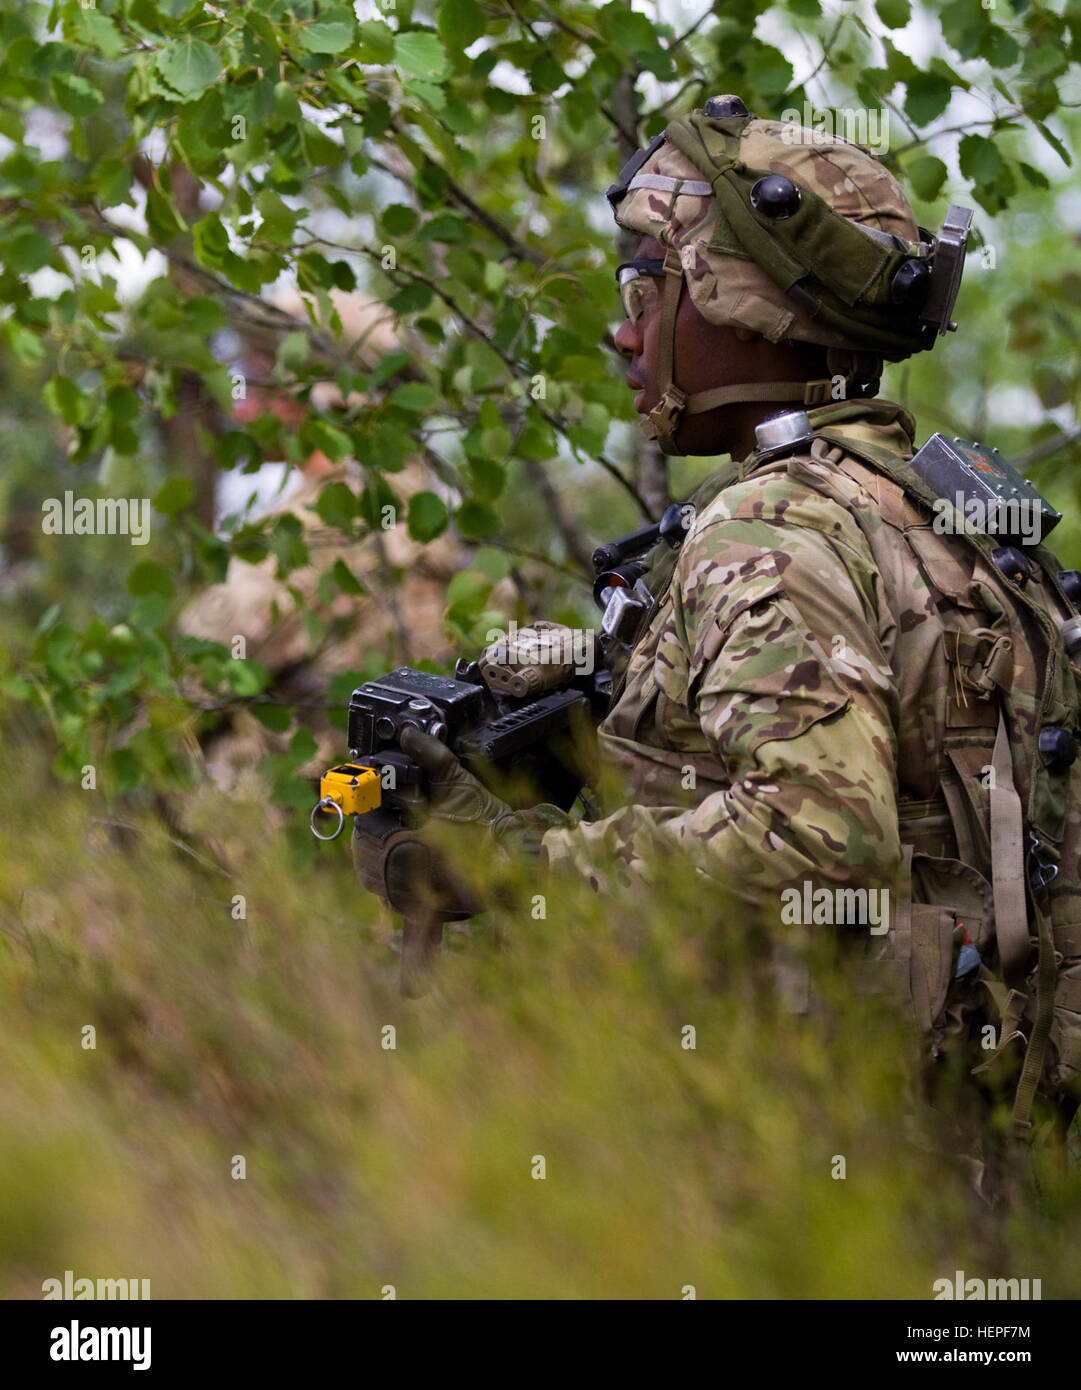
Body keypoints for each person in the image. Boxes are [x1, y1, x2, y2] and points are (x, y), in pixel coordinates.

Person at [354, 99, 1081, 1178]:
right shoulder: (933, 507)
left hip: (809, 1131)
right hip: (968, 1113)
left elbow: (820, 831)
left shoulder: (767, 527)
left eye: (646, 290)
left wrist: (517, 873)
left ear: (741, 308)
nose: (624, 330)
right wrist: (597, 680)